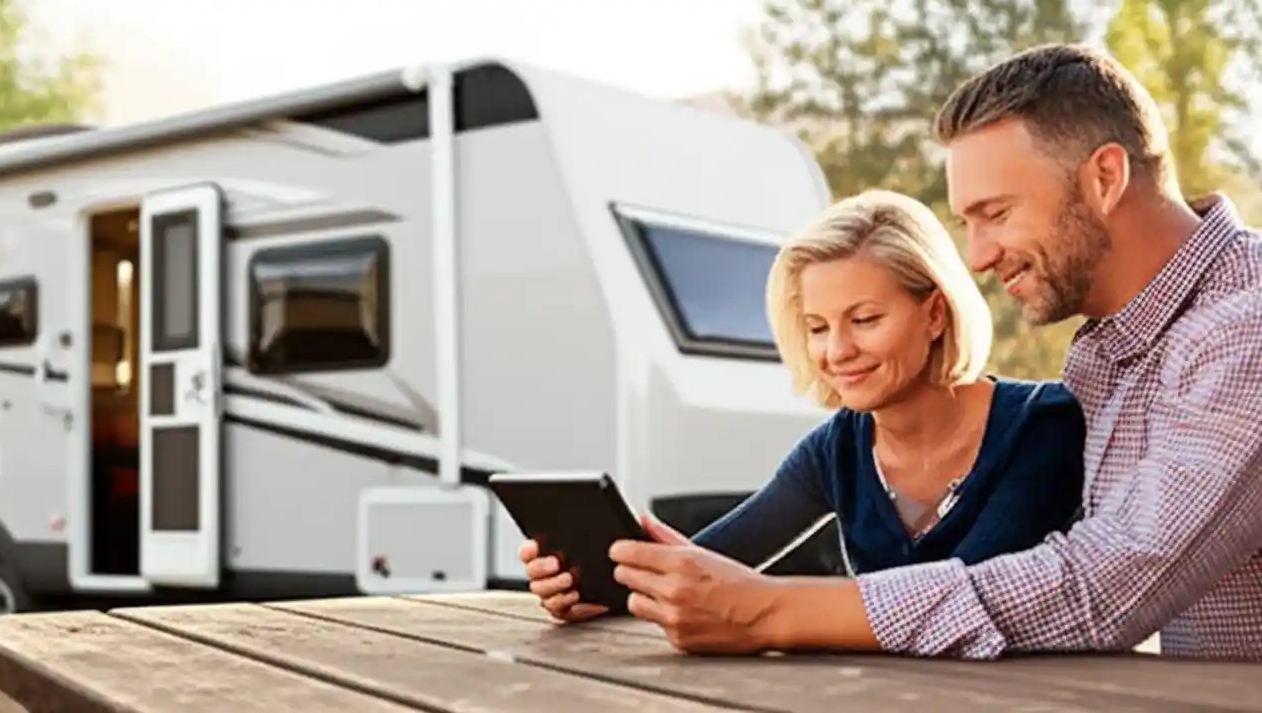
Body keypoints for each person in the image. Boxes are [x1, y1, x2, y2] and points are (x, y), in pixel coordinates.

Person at [597, 43, 1262, 660]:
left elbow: (1102, 584)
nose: (975, 257)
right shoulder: (1116, 349)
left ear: (1105, 176)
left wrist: (767, 611)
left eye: (996, 213)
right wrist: (621, 577)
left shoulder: (1243, 327)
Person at [519, 187, 1087, 626]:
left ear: (935, 314)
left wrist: (764, 607)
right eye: (817, 327)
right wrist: (600, 585)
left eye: (865, 320)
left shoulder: (1044, 426)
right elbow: (716, 562)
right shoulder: (835, 450)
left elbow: (963, 595)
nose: (837, 352)